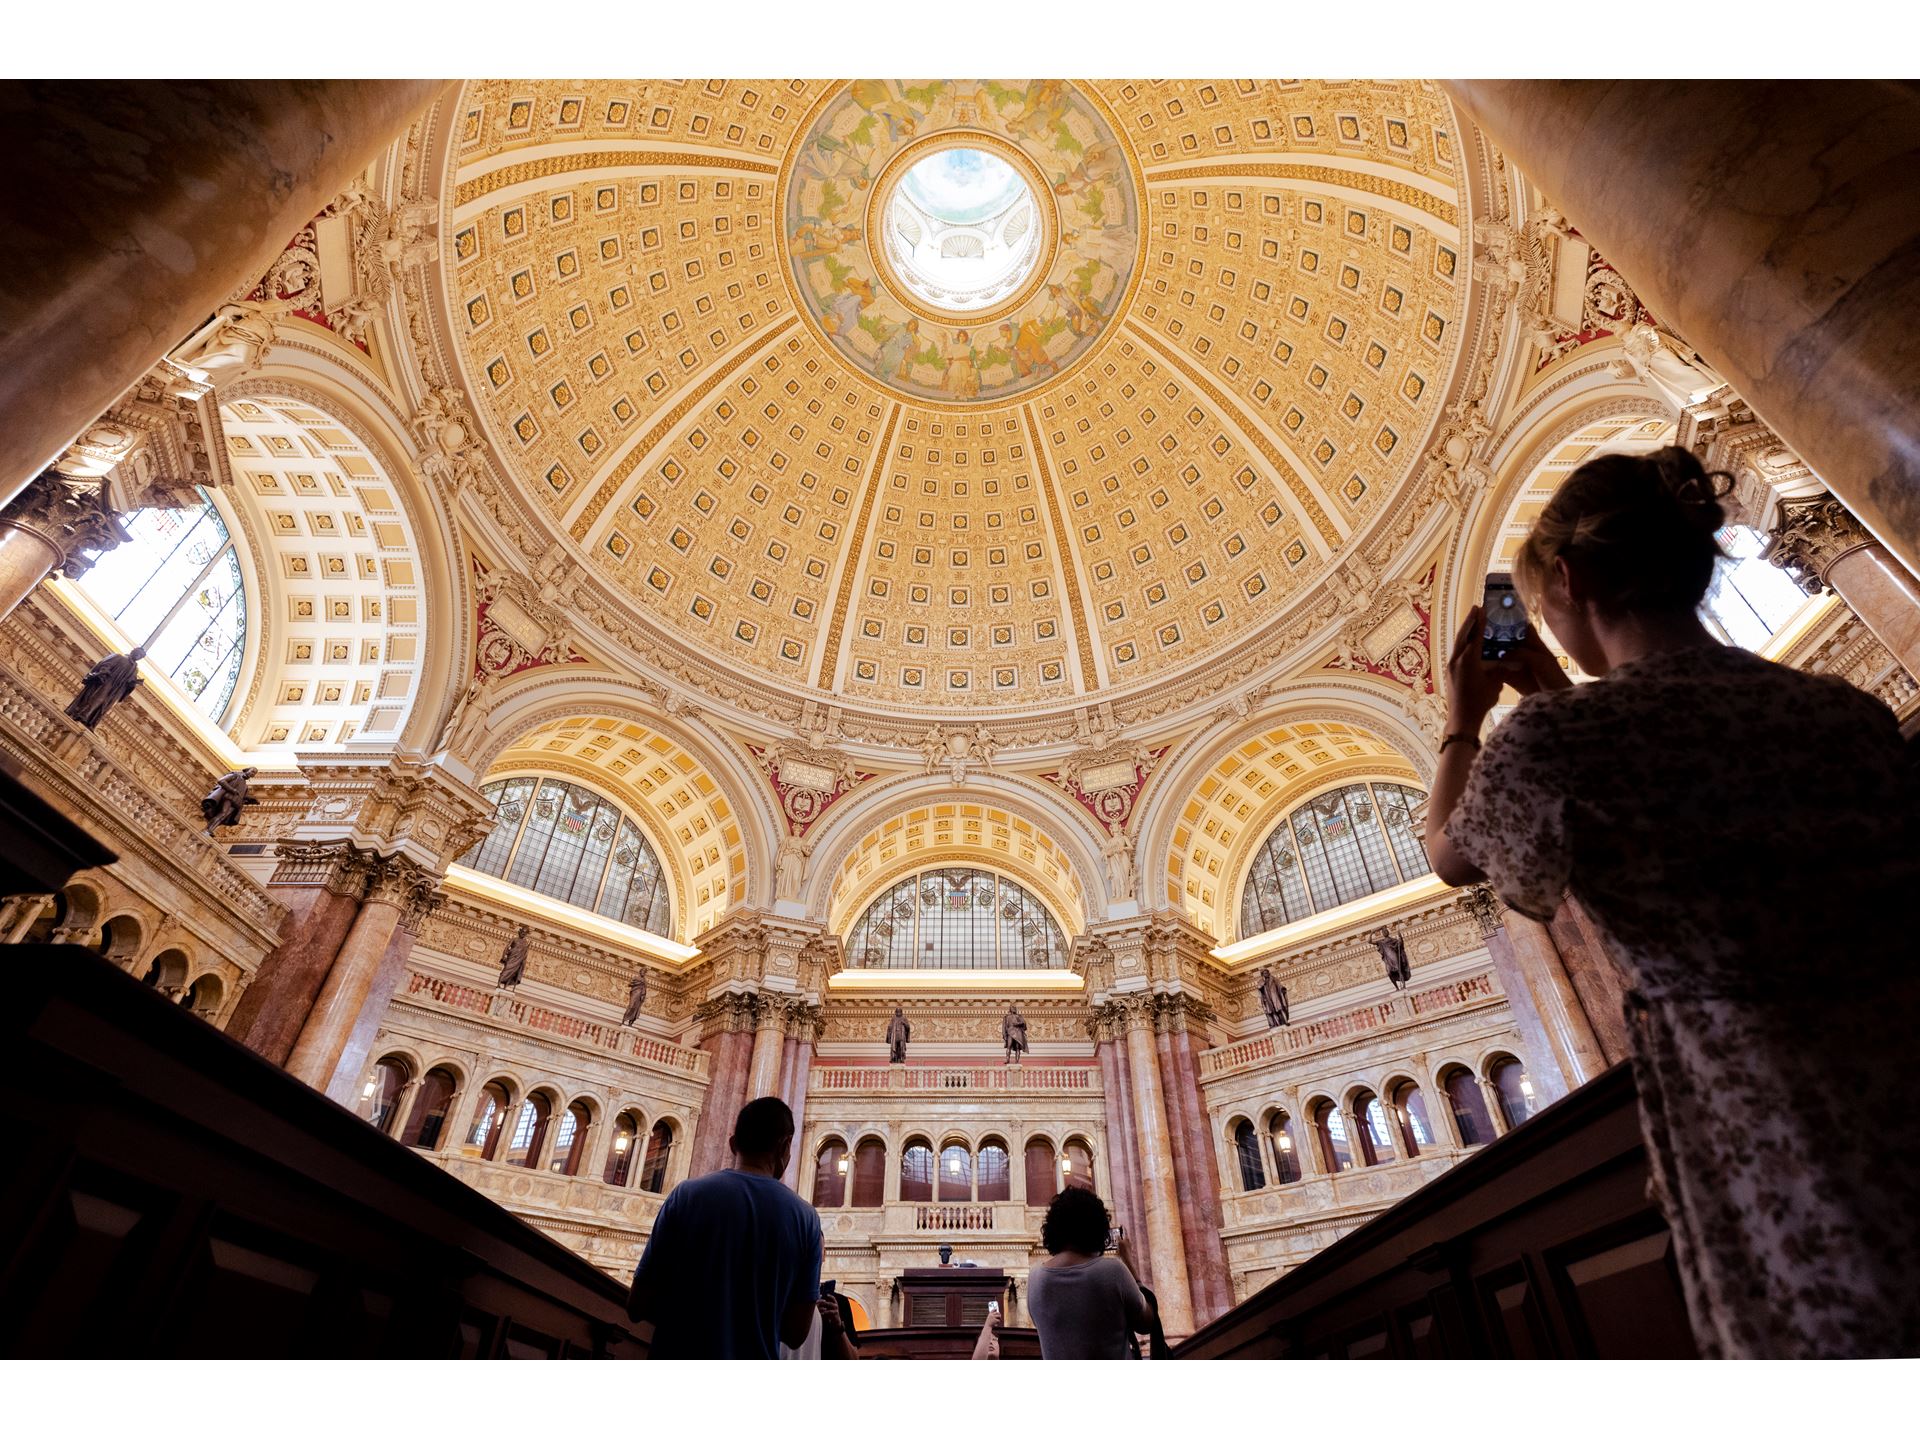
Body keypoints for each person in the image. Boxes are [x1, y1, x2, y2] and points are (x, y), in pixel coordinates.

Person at [1422, 445, 1920, 1360]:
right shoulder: (1841, 710)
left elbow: (1452, 854)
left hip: (1762, 1104)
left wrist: (1463, 715)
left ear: (1568, 583)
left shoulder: (1554, 741)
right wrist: (1555, 694)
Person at [627, 1097, 823, 1359]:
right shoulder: (806, 1219)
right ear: (785, 1145)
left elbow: (638, 1304)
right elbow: (795, 1333)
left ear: (733, 1143)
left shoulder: (686, 1196)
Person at [1026, 1186, 1153, 1359]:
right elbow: (1146, 1323)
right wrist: (1129, 1261)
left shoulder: (1035, 1278)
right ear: (1096, 1227)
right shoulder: (1112, 1271)